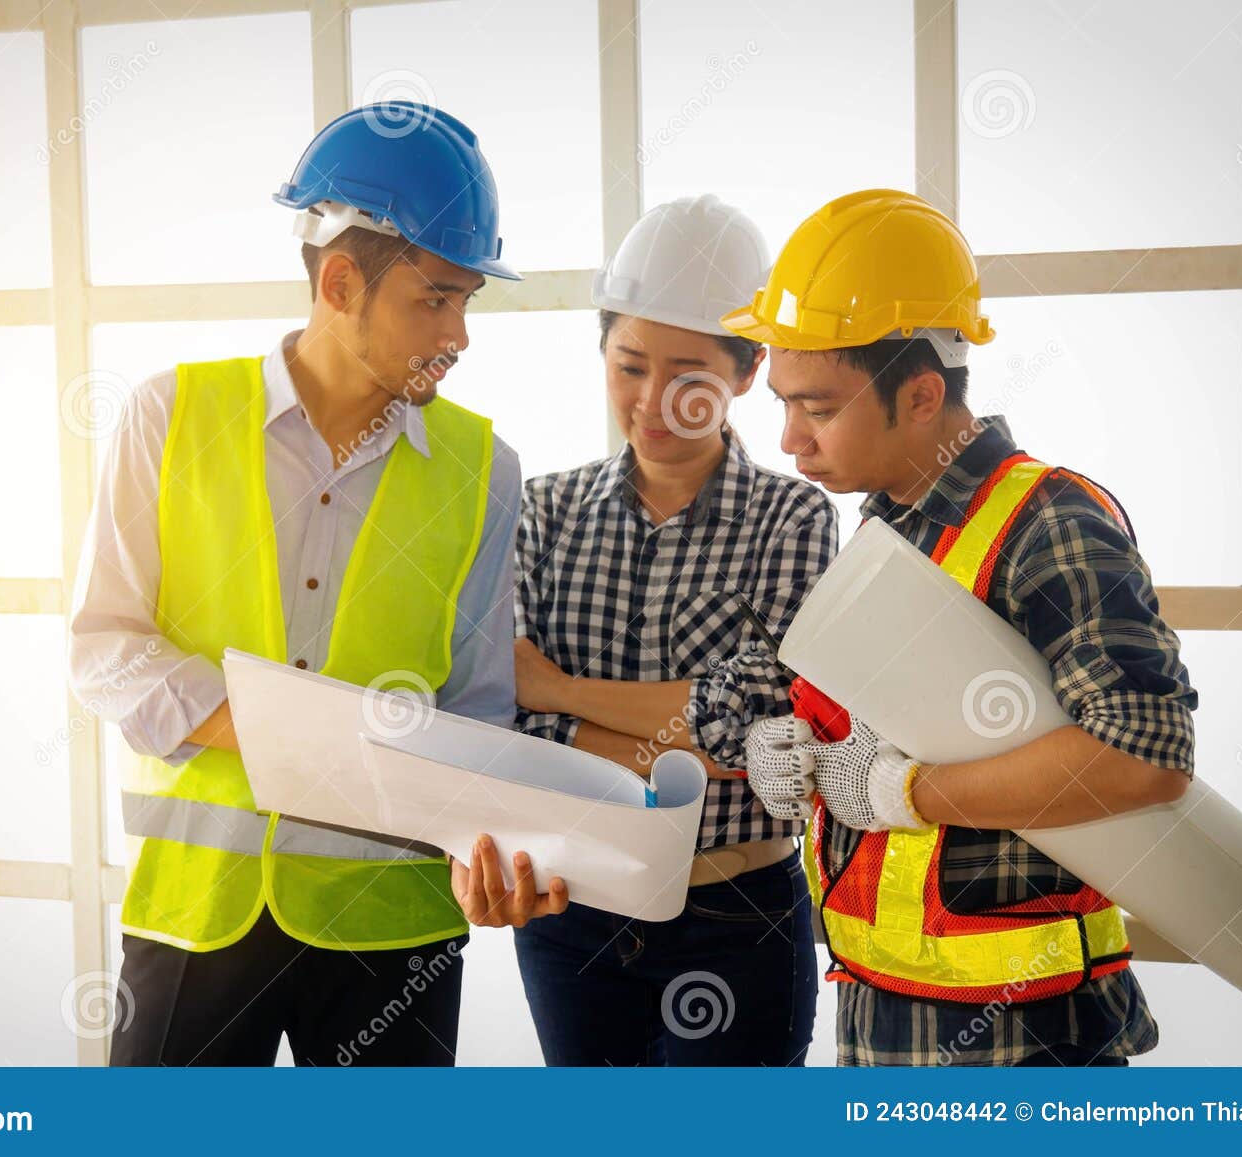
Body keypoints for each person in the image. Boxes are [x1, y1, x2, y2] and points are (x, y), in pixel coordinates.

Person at [68, 102, 566, 1068]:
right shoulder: (168, 416)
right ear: (341, 282)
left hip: (396, 933)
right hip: (194, 919)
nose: (460, 332)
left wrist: (488, 850)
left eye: (468, 299)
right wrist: (290, 732)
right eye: (435, 299)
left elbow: (475, 707)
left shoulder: (483, 468)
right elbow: (104, 648)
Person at [730, 188, 1198, 1067]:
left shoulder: (1050, 523)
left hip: (1025, 1040)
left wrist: (907, 793)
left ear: (919, 394)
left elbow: (1148, 757)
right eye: (784, 403)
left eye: (818, 407)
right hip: (878, 1009)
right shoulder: (887, 528)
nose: (788, 437)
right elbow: (903, 723)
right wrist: (801, 744)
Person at [511, 195, 836, 1065]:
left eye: (689, 371)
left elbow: (770, 723)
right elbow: (506, 719)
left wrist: (558, 691)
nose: (654, 401)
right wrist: (684, 747)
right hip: (571, 915)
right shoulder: (541, 510)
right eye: (629, 365)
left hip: (739, 916)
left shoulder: (793, 517)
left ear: (747, 368)